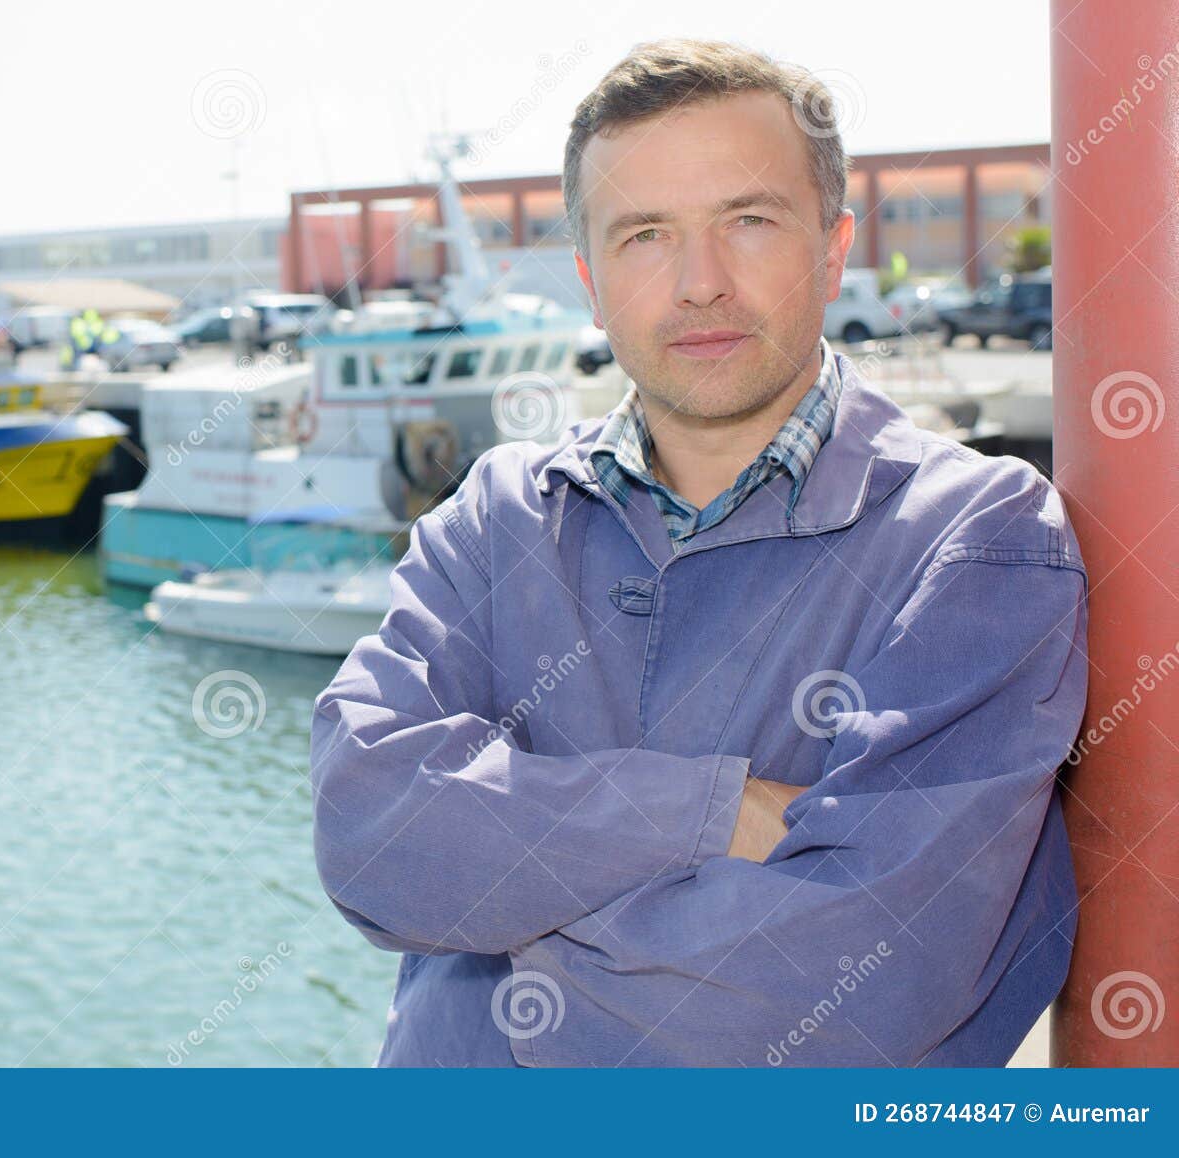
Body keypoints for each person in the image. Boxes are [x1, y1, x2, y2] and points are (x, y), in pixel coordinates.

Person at [309, 39, 1088, 1067]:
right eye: (644, 236)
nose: (699, 283)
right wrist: (711, 812)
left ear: (833, 247)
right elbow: (371, 837)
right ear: (590, 281)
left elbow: (856, 986)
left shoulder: (977, 540)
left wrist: (498, 930)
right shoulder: (494, 516)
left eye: (748, 221)